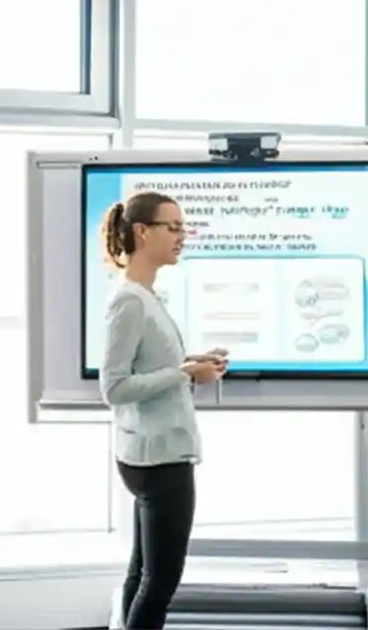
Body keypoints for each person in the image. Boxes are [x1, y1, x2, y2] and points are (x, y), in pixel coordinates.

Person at [98, 191, 227, 630]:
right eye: (172, 227)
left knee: (144, 575)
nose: (181, 236)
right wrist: (185, 374)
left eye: (183, 228)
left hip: (152, 451)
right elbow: (115, 387)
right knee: (160, 582)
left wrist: (192, 363)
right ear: (141, 232)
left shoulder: (145, 296)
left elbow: (150, 366)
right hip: (158, 459)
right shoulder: (130, 301)